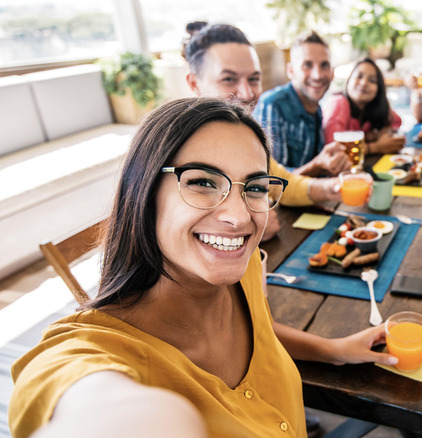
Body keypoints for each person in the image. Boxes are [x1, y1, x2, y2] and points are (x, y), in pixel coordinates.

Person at [9, 98, 398, 438]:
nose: (238, 216)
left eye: (256, 187)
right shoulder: (90, 350)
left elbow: (261, 330)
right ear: (143, 191)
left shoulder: (243, 270)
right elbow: (75, 392)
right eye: (202, 182)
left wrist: (335, 351)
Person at [184, 23, 341, 208]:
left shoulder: (242, 135)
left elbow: (281, 182)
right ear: (194, 84)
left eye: (253, 79)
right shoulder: (180, 145)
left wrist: (336, 187)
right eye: (229, 79)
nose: (247, 93)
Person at [254, 31, 350, 177]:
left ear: (332, 72)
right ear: (291, 71)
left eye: (324, 65)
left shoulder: (317, 108)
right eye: (307, 65)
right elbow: (270, 181)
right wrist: (318, 164)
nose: (317, 75)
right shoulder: (272, 104)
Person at [322, 58, 406, 155]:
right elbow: (334, 150)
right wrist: (376, 147)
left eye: (372, 80)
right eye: (359, 76)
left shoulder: (371, 107)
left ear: (379, 90)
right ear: (349, 80)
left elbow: (397, 121)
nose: (364, 83)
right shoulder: (338, 102)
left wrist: (377, 134)